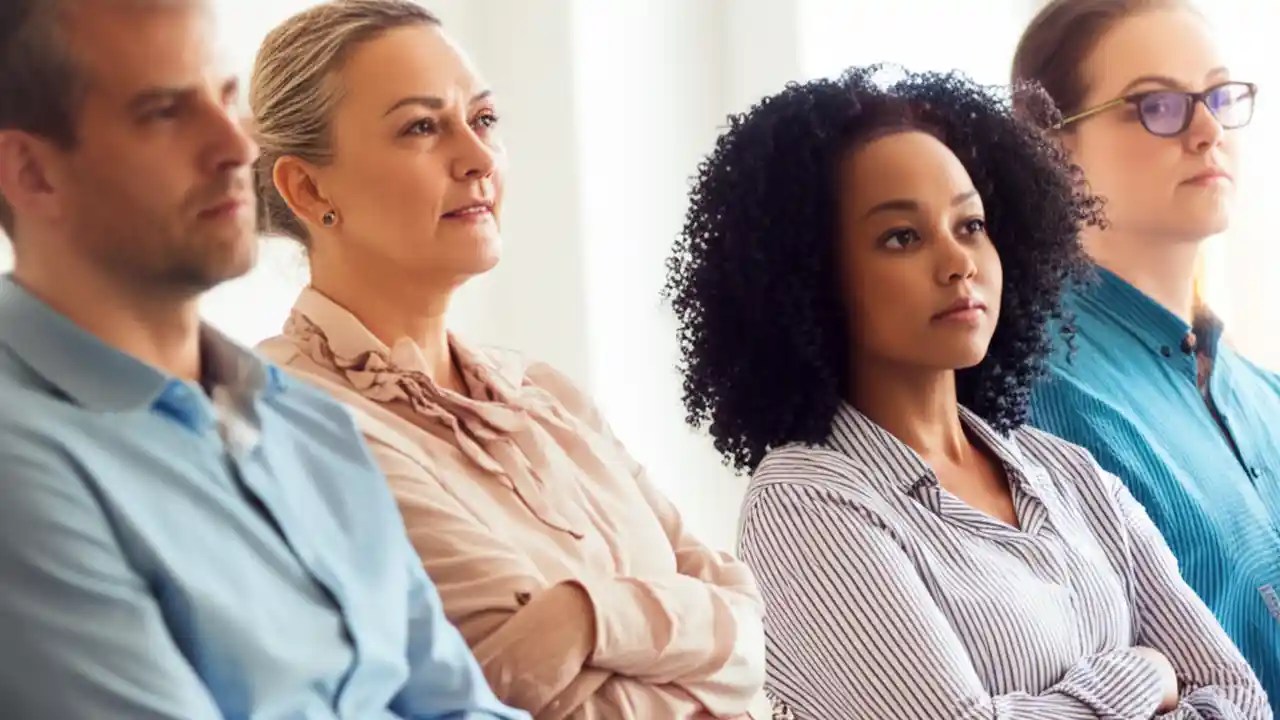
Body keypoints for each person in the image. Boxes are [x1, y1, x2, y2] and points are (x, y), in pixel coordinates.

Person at [664, 66, 1272, 719]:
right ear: (812, 280)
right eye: (902, 237)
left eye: (971, 225)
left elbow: (1238, 696)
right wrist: (1143, 674)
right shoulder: (806, 502)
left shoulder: (1071, 475)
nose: (958, 262)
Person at [0, 1, 524, 717]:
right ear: (31, 172)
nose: (237, 147)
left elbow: (463, 706)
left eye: (225, 98)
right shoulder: (20, 464)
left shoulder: (305, 421)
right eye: (162, 111)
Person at [248, 2, 766, 718]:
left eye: (484, 120)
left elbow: (749, 627)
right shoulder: (298, 419)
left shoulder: (545, 395)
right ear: (308, 189)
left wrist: (584, 620)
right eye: (421, 127)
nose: (479, 158)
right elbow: (518, 696)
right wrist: (684, 641)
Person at [1014, 1, 1280, 708]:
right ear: (1052, 149)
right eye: (1156, 105)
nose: (1207, 129)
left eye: (1220, 96)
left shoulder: (1267, 394)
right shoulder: (1028, 397)